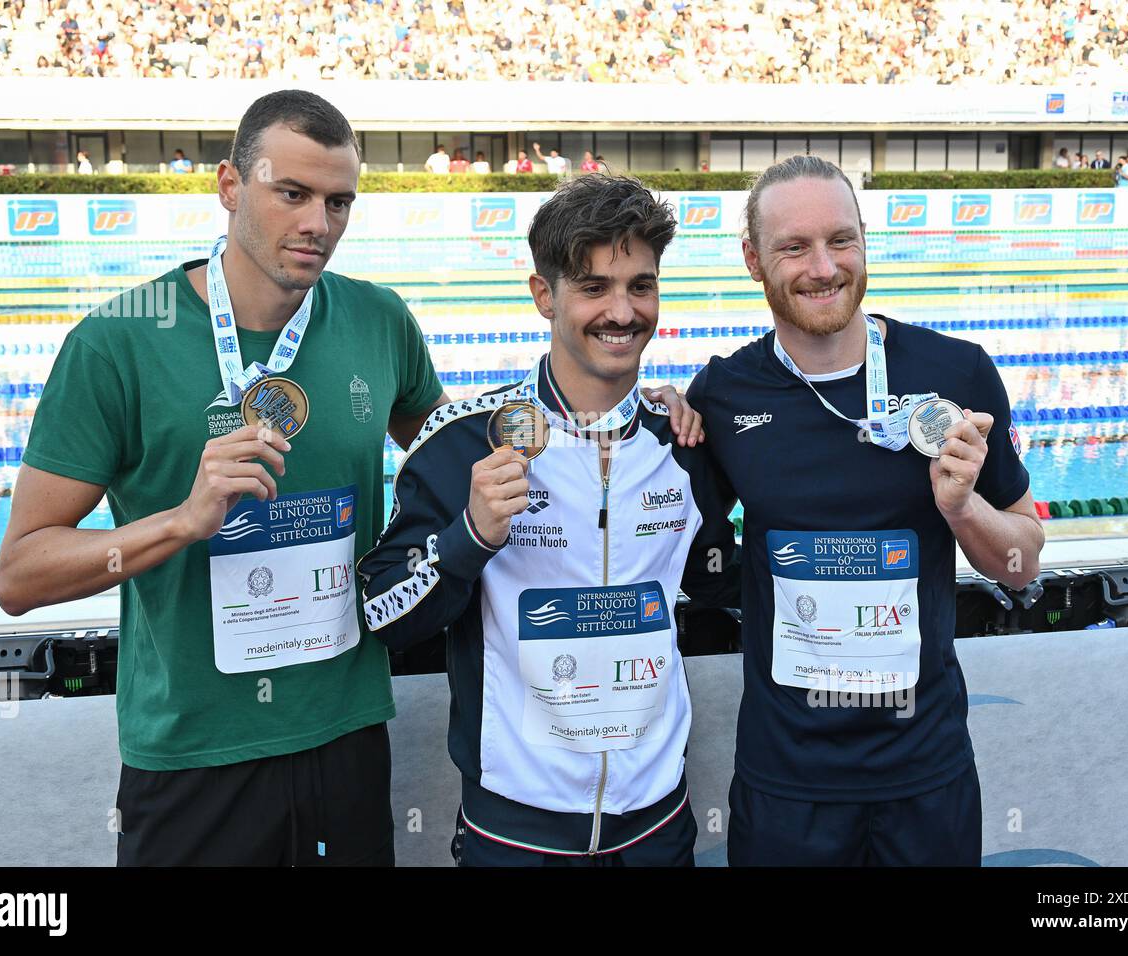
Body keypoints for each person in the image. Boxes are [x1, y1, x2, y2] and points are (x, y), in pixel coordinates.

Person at [0, 89, 456, 867]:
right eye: (293, 194)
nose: (319, 223)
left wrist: (614, 404)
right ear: (230, 187)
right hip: (191, 757)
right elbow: (17, 576)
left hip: (343, 736)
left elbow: (453, 458)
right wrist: (180, 520)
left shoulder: (380, 321)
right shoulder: (118, 342)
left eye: (339, 202)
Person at [359, 175, 739, 865]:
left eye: (640, 285)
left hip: (658, 825)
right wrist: (469, 536)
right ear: (545, 296)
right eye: (594, 287)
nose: (622, 311)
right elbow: (383, 611)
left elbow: (722, 581)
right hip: (515, 834)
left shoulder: (681, 446)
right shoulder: (463, 441)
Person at [686, 156, 1044, 867]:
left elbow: (1021, 563)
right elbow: (694, 559)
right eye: (794, 247)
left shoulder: (957, 373)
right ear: (753, 260)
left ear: (865, 243)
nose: (823, 267)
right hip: (785, 782)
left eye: (840, 240)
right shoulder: (723, 396)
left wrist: (962, 507)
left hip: (925, 773)